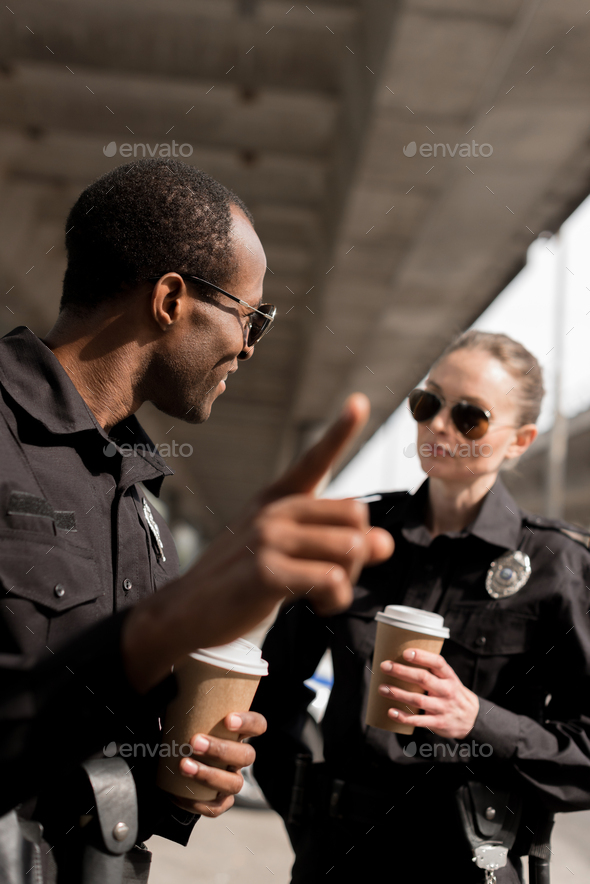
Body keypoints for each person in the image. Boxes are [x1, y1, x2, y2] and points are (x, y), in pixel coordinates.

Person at [0, 158, 394, 883]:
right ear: (172, 299)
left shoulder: (140, 497)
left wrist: (183, 766)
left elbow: (106, 735)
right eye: (252, 316)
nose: (248, 347)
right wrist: (165, 625)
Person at [252, 330, 590, 884]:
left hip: (469, 857)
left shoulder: (559, 567)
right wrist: (307, 808)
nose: (437, 425)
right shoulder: (354, 534)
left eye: (469, 417)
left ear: (519, 440)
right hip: (337, 854)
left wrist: (475, 718)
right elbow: (273, 689)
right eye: (428, 402)